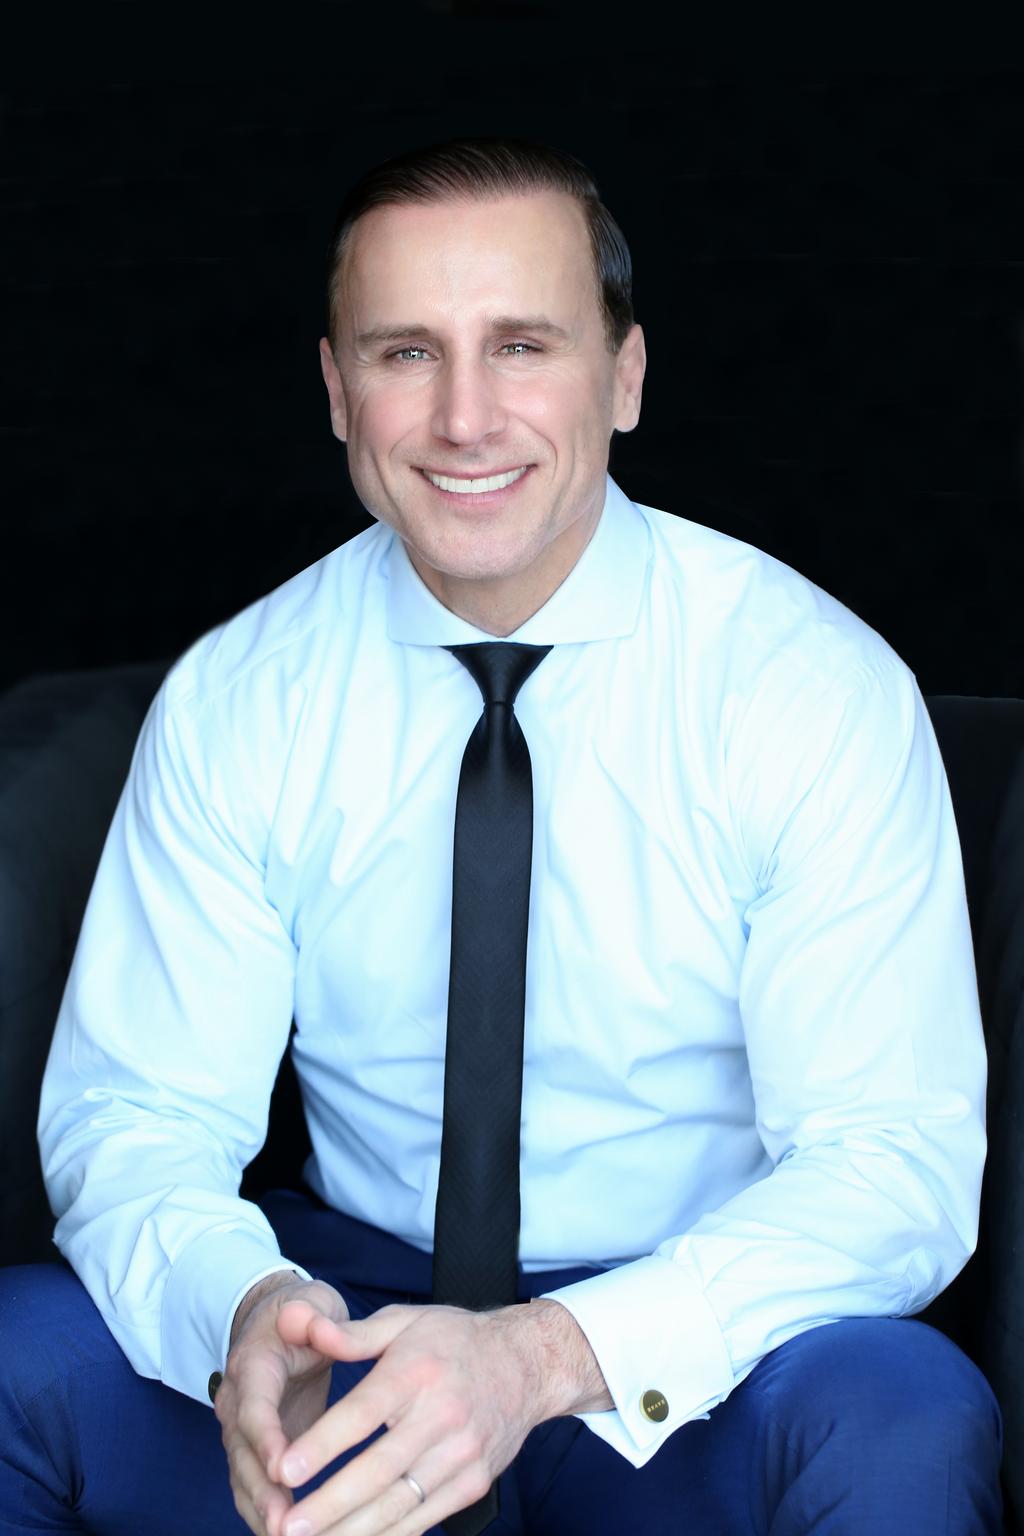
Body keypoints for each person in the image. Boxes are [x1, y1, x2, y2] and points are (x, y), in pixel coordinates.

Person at [0, 135, 1004, 1536]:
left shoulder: (809, 690)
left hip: (686, 1346)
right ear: (337, 392)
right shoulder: (240, 698)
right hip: (345, 1333)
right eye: (406, 353)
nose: (465, 417)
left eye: (522, 346)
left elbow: (890, 1160)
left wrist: (543, 1357)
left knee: (904, 1413)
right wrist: (246, 1311)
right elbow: (138, 1117)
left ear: (626, 377)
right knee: (17, 1357)